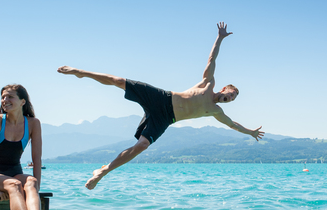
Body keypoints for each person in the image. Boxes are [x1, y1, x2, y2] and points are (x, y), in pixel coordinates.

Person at [58, 22, 264, 189]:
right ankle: (81, 72)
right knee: (119, 81)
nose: (230, 99)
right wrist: (219, 38)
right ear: (225, 88)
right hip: (162, 99)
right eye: (231, 94)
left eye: (233, 99)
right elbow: (212, 58)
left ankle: (103, 172)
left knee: (142, 146)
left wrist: (251, 132)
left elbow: (233, 125)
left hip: (165, 119)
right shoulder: (208, 83)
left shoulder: (216, 111)